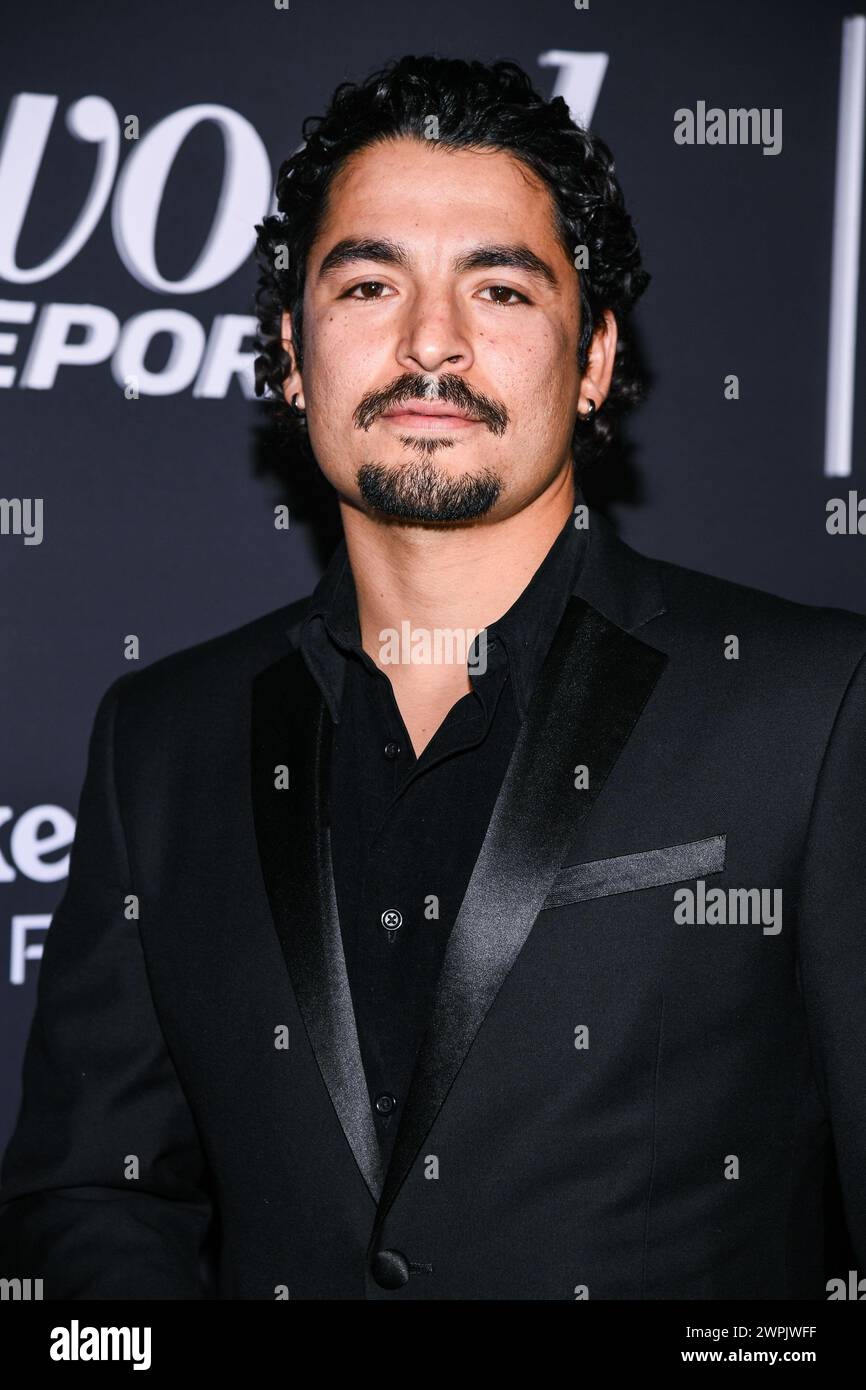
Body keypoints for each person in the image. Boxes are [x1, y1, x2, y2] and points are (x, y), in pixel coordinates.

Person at [1, 54, 865, 1300]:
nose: (430, 343)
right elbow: (97, 1191)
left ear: (593, 359)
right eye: (367, 282)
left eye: (500, 289)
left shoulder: (813, 706)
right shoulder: (161, 738)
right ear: (292, 355)